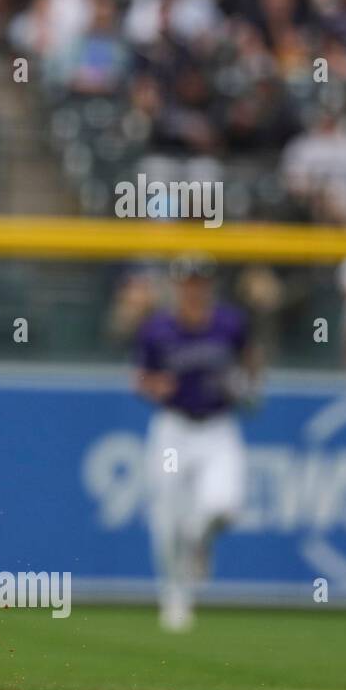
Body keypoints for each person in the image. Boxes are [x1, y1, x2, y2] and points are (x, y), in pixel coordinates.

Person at [134, 255, 262, 632]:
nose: (193, 288)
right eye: (187, 281)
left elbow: (252, 362)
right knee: (166, 519)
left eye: (200, 281)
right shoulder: (158, 328)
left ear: (209, 285)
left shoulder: (229, 323)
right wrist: (156, 386)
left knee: (225, 506)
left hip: (217, 430)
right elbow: (140, 377)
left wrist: (248, 385)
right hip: (174, 432)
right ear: (177, 286)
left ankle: (200, 541)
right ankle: (174, 598)